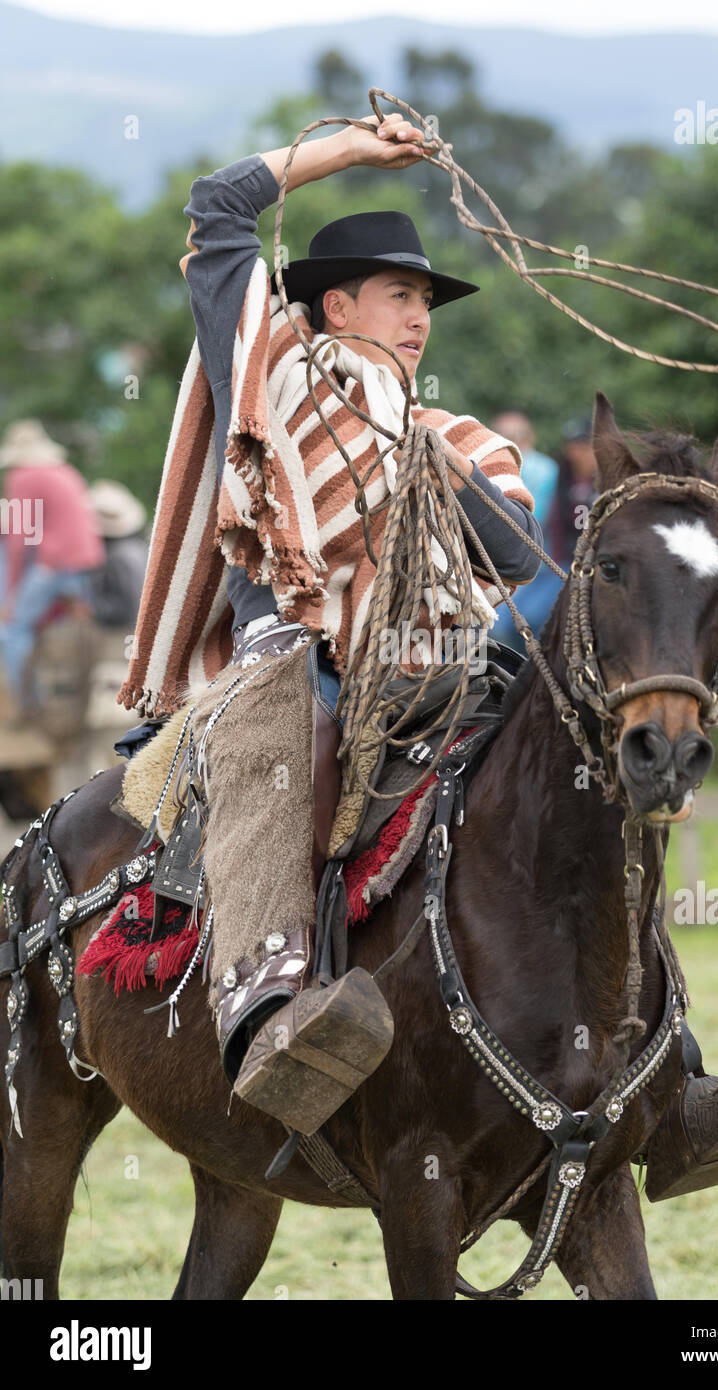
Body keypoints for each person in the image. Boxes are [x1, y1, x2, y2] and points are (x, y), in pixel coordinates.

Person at [118, 112, 544, 1126]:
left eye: (427, 300)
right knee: (283, 729)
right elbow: (219, 205)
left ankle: (660, 1048)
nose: (420, 316)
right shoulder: (264, 369)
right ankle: (265, 1010)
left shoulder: (443, 439)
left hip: (436, 657)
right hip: (299, 651)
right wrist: (353, 148)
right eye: (401, 294)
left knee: (563, 739)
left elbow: (519, 564)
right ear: (336, 301)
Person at [0, 419, 104, 709]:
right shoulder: (64, 471)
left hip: (56, 564)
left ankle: (28, 704)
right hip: (83, 562)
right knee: (58, 623)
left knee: (12, 631)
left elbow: (20, 538)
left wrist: (9, 596)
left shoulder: (22, 476)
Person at [490, 410, 563, 647]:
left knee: (508, 626)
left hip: (534, 566)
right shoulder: (489, 466)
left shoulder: (545, 469)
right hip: (498, 562)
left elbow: (533, 518)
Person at [88, 480, 149, 630]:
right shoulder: (139, 548)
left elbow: (125, 609)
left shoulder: (116, 557)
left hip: (122, 632)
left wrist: (90, 610)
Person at [548, 416, 598, 568]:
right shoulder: (562, 476)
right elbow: (556, 523)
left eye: (583, 445)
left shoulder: (610, 481)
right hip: (567, 559)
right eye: (572, 445)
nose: (576, 452)